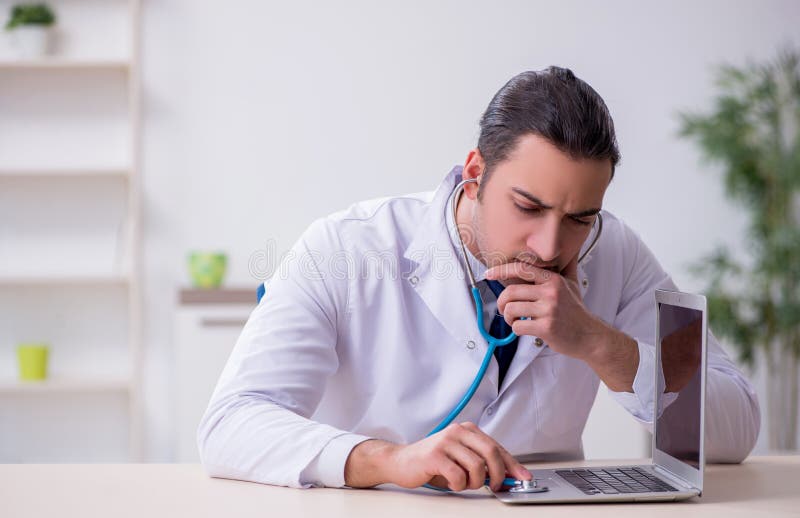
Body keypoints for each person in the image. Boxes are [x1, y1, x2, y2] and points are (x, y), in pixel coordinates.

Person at [197, 67, 760, 492]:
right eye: (528, 207)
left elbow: (736, 428)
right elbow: (229, 424)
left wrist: (599, 344)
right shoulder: (345, 247)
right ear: (475, 173)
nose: (549, 246)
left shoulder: (615, 251)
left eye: (579, 218)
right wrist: (388, 459)